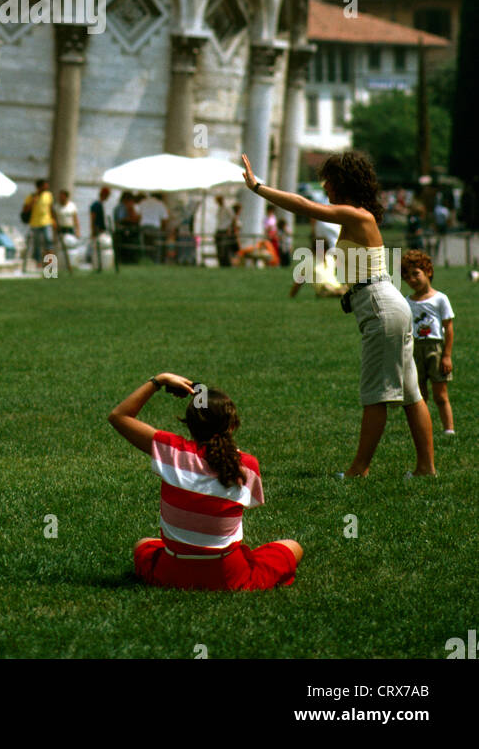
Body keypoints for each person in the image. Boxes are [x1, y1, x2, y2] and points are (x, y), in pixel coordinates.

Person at [241, 149, 435, 477]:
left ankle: (360, 470)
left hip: (380, 307)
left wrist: (258, 187)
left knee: (377, 395)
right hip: (385, 304)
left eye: (329, 181)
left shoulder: (355, 215)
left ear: (343, 183)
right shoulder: (357, 216)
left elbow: (303, 206)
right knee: (410, 393)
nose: (325, 187)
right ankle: (425, 469)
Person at [108, 374, 302, 591]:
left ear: (189, 425)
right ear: (232, 426)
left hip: (172, 570)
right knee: (292, 547)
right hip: (227, 574)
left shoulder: (171, 450)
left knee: (143, 544)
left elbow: (119, 416)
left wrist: (159, 381)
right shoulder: (247, 465)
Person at [402, 250, 455, 438]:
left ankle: (448, 429)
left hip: (435, 349)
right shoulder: (406, 302)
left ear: (428, 272)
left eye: (416, 273)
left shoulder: (440, 298)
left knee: (440, 395)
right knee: (419, 395)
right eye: (407, 276)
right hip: (415, 350)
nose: (412, 279)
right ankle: (425, 430)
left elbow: (448, 328)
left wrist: (447, 355)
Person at [25, 178, 55, 268]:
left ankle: (50, 263)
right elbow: (25, 210)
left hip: (47, 222)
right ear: (40, 186)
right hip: (35, 223)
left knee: (48, 241)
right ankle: (38, 262)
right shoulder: (31, 196)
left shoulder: (48, 195)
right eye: (45, 185)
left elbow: (51, 209)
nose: (47, 187)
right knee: (37, 244)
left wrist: (54, 220)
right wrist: (32, 203)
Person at [139, 193, 169, 263]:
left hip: (144, 226)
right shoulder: (160, 204)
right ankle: (156, 261)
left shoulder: (143, 202)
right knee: (156, 246)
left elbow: (138, 215)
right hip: (155, 227)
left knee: (145, 246)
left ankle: (145, 260)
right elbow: (165, 219)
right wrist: (163, 228)